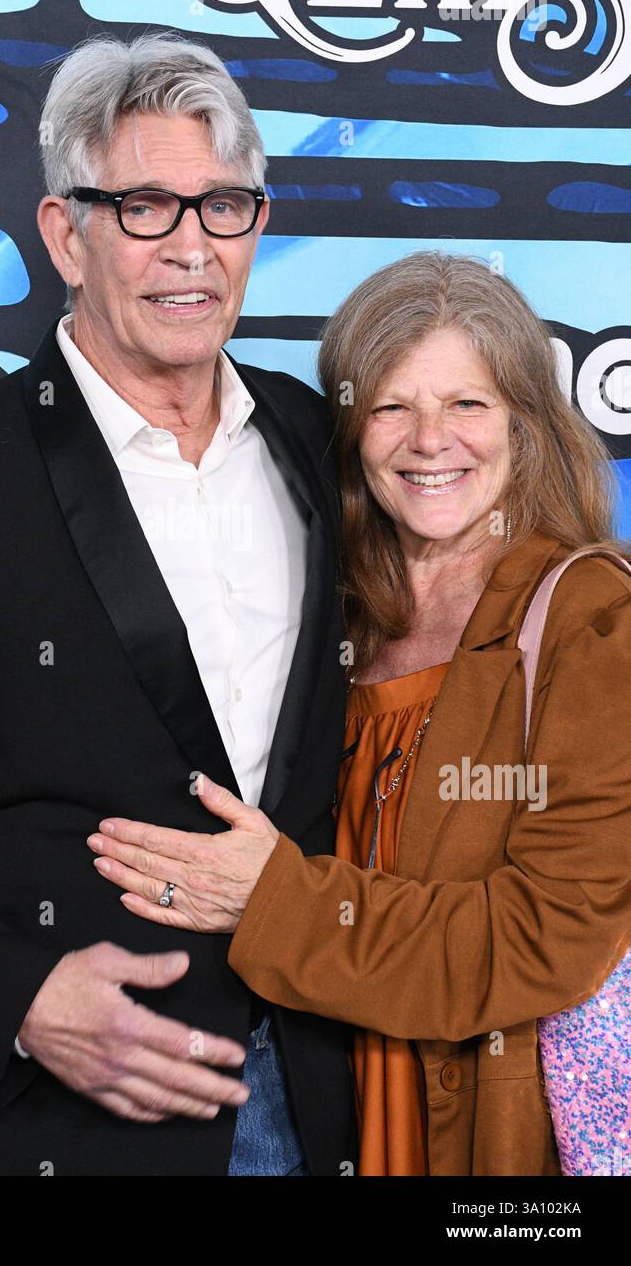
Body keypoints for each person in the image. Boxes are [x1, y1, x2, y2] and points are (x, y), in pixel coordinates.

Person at [0, 31, 356, 1176]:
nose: (189, 248)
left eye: (222, 206)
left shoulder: (320, 439)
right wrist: (22, 996)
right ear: (64, 236)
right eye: (144, 206)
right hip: (43, 1123)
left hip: (310, 1095)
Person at [85, 250, 631, 1176]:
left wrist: (274, 903)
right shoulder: (316, 607)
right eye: (392, 406)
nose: (430, 441)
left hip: (487, 1140)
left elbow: (547, 941)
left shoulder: (595, 621)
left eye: (468, 404)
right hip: (306, 1113)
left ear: (526, 425)